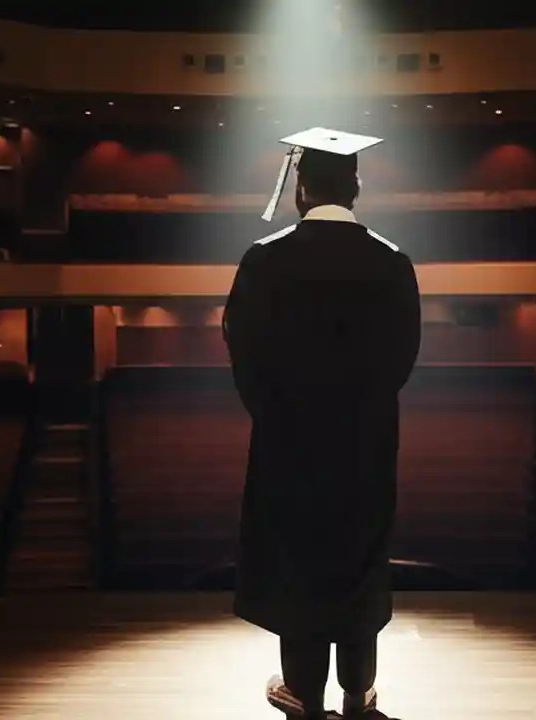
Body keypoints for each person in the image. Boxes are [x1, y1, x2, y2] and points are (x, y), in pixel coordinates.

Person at [223, 127, 422, 720]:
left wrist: (278, 414)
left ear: (300, 189)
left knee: (296, 560)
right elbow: (401, 360)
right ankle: (359, 693)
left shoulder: (264, 260)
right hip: (365, 443)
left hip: (288, 440)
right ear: (356, 187)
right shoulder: (392, 262)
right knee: (360, 558)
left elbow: (242, 350)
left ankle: (303, 694)